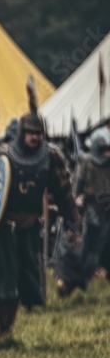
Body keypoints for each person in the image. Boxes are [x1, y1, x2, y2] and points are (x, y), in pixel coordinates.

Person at [0, 110, 79, 337]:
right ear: (22, 133)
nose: (35, 138)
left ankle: (6, 329)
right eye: (31, 133)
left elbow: (64, 194)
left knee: (26, 282)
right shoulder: (0, 156)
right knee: (6, 284)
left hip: (30, 230)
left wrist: (74, 225)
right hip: (2, 231)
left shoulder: (50, 157)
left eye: (39, 133)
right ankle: (3, 331)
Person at [55, 125, 110, 296]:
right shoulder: (86, 163)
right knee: (87, 251)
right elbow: (77, 189)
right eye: (104, 149)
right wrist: (77, 202)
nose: (107, 153)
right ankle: (69, 283)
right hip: (92, 213)